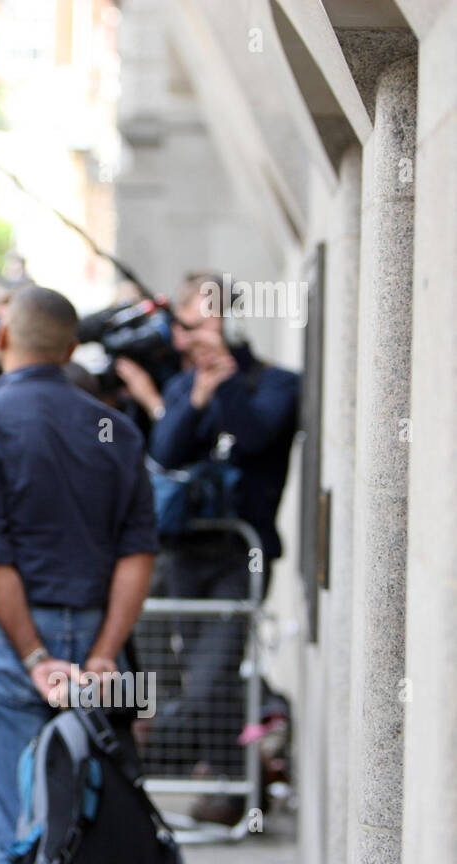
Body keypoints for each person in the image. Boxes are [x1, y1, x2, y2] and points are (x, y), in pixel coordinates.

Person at [0, 285, 158, 864]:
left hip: (4, 643)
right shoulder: (118, 430)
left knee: (14, 830)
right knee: (87, 821)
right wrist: (107, 652)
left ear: (5, 338)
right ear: (70, 351)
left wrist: (37, 657)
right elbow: (138, 551)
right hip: (94, 635)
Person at [146, 270, 300, 822]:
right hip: (186, 551)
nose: (196, 335)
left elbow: (258, 437)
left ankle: (197, 770)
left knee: (213, 674)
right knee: (202, 674)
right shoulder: (182, 386)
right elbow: (164, 452)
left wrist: (227, 380)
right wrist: (199, 393)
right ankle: (238, 782)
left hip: (243, 554)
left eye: (207, 319)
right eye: (189, 323)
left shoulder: (277, 382)